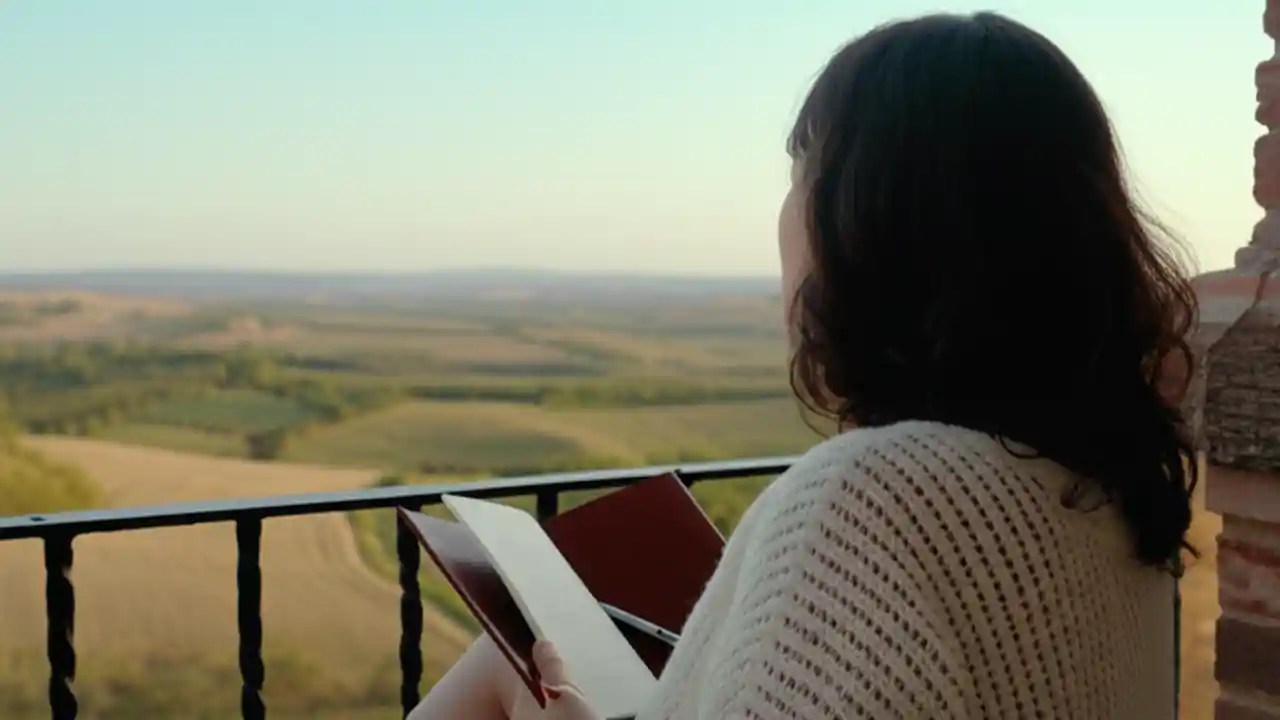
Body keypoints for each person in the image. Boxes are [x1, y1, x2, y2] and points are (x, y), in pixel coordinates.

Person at [410, 11, 1196, 719]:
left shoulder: (870, 499)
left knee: (517, 664)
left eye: (802, 178)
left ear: (866, 227)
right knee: (514, 661)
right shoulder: (1115, 495)